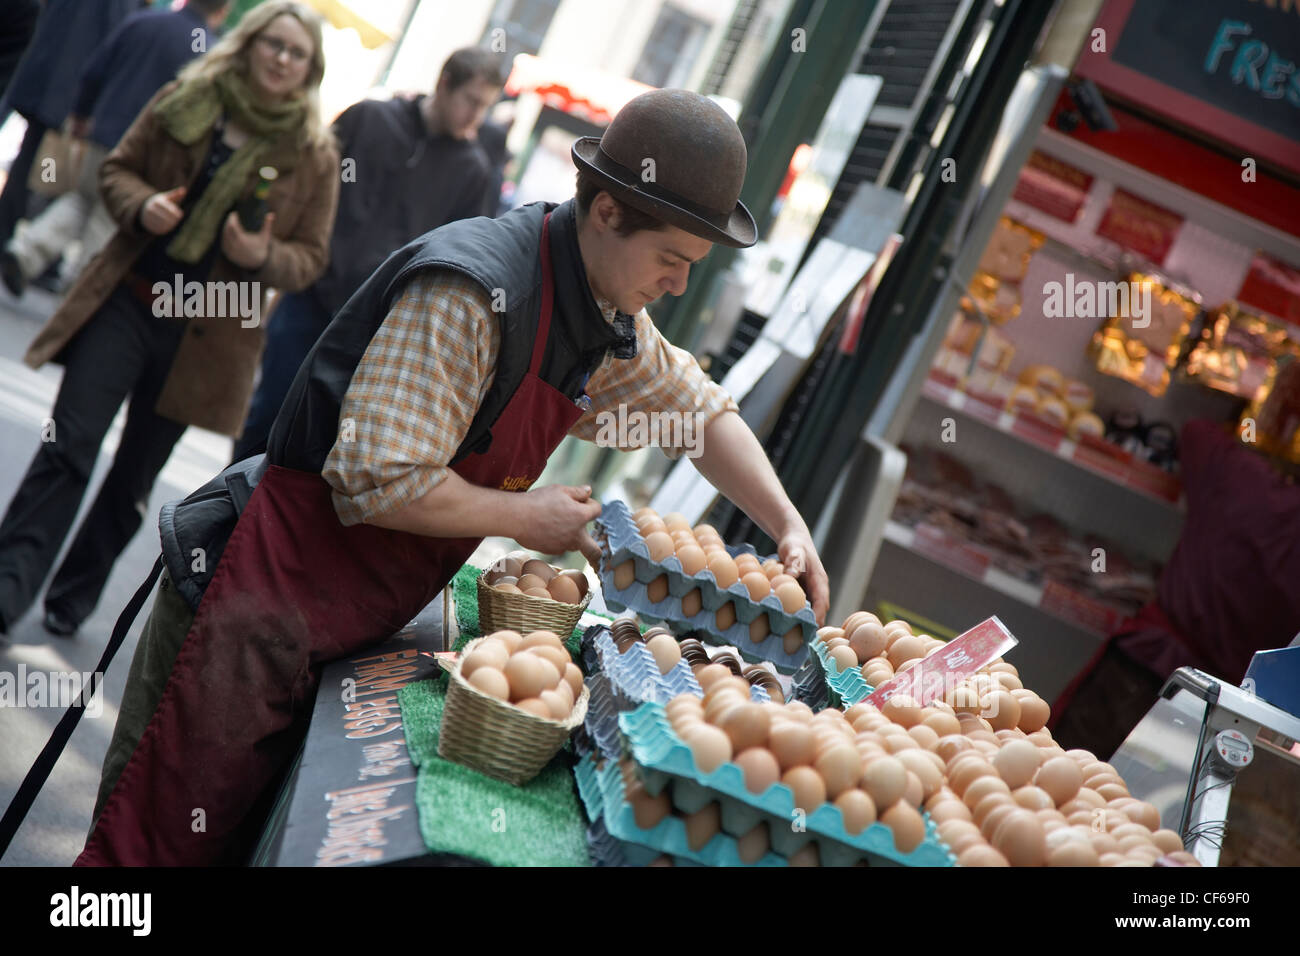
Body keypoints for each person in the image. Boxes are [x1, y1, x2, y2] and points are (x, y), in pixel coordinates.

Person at [77, 88, 831, 866]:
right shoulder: (472, 292)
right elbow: (373, 477)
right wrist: (524, 516)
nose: (678, 285)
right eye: (671, 260)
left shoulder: (602, 315)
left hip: (329, 617)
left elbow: (698, 413)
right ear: (606, 211)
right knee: (149, 852)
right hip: (252, 600)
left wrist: (785, 523)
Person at [0, 1, 339, 640]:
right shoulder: (187, 97)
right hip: (129, 298)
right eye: (274, 44)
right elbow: (114, 170)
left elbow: (311, 261)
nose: (282, 60)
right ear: (250, 43)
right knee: (68, 442)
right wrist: (142, 203)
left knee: (132, 476)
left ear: (309, 69)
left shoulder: (315, 155)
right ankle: (8, 582)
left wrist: (261, 254)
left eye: (297, 53)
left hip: (207, 335)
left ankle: (74, 594)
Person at [230, 46, 505, 462]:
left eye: (486, 107)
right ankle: (225, 520)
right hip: (309, 298)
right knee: (265, 418)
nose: (476, 117)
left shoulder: (473, 171)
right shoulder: (370, 118)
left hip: (376, 330)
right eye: (472, 101)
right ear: (444, 83)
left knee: (319, 446)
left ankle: (261, 525)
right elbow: (302, 182)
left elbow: (461, 259)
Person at [1052, 363, 1300, 759]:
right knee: (1147, 814)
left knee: (1058, 776)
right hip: (1222, 714)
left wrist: (1253, 416)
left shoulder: (1238, 475)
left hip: (1144, 668)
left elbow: (1197, 433)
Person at [1, 0, 233, 298]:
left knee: (83, 199)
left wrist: (82, 114)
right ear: (222, 11)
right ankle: (80, 289)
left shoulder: (144, 22)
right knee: (106, 217)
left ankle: (27, 252)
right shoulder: (205, 51)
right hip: (142, 148)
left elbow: (95, 69)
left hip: (103, 131)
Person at [0, 0, 140, 249]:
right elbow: (111, 43)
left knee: (32, 161)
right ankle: (20, 238)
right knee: (49, 170)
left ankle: (12, 232)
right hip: (66, 90)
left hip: (45, 75)